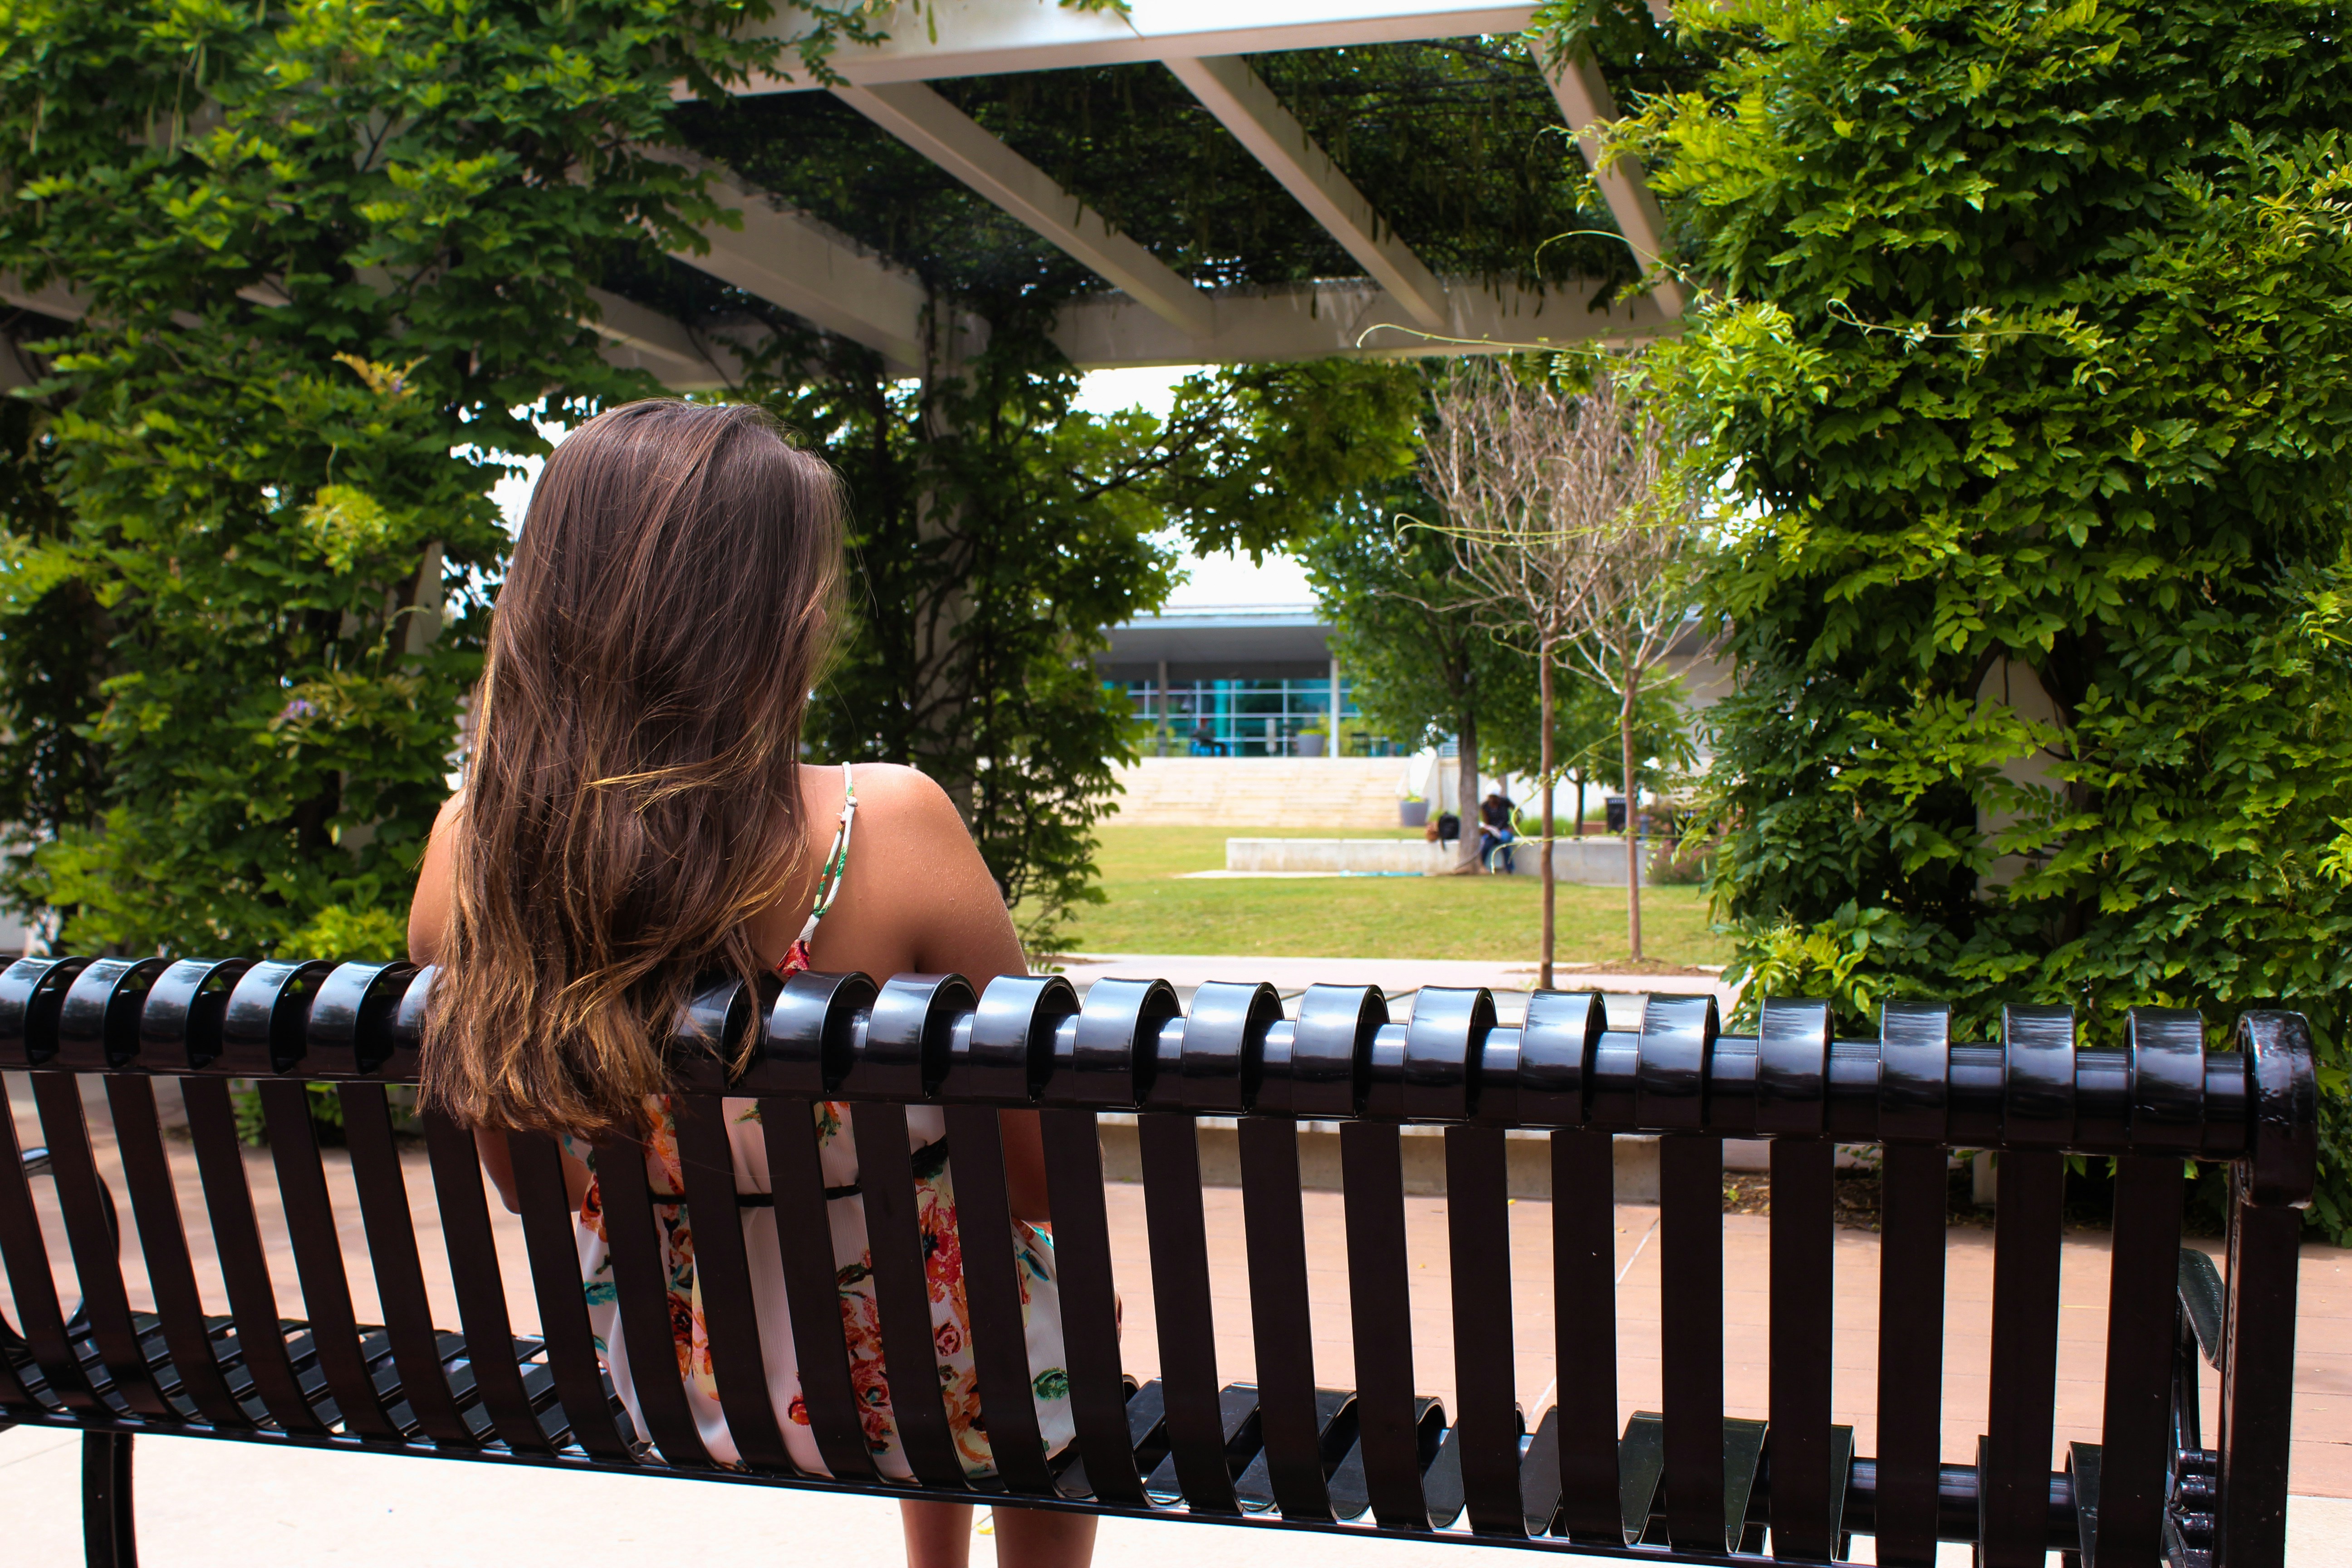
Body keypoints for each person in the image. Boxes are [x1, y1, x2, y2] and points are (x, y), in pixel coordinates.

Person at [406, 399, 1094, 1568]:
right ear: (774, 619)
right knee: (1008, 1283)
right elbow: (1036, 1183)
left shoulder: (469, 855)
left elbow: (531, 1183)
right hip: (943, 1381)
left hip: (684, 1381)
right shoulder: (891, 823)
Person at [1479, 790, 1517, 874]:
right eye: (1491, 797)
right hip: (1493, 831)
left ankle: (1509, 868)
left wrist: (1513, 827)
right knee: (1486, 843)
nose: (1492, 800)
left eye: (1494, 797)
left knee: (1504, 842)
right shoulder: (1485, 806)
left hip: (1505, 830)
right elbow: (1487, 823)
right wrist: (1487, 830)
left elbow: (1519, 813)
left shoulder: (1505, 802)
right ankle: (1481, 866)